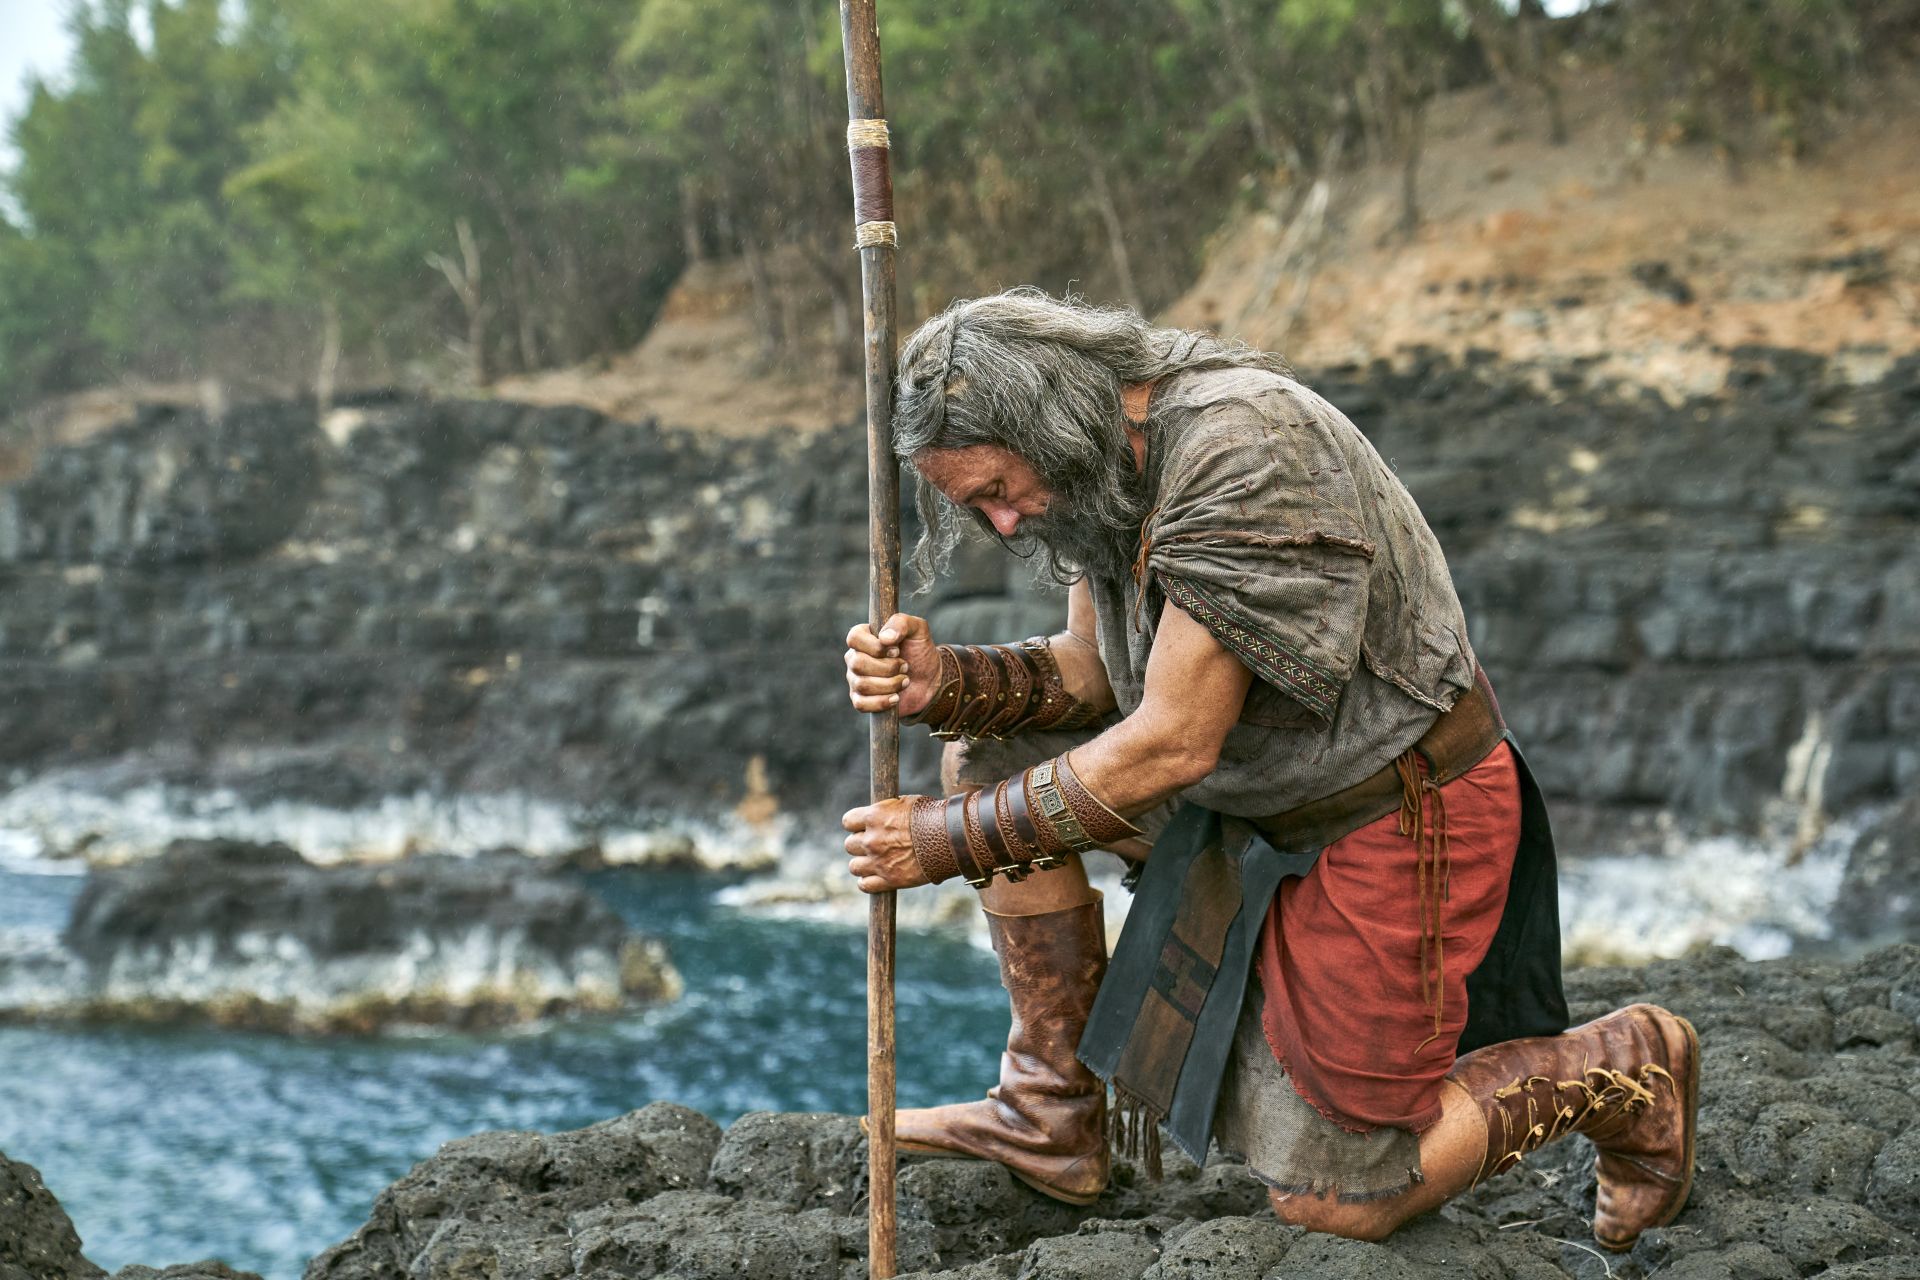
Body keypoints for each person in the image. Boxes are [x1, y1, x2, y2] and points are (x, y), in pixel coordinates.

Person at [839, 289, 1697, 1248]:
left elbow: (1171, 739)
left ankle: (1629, 1062)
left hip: (1388, 816)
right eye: (980, 507)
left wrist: (941, 842)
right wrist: (944, 679)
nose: (1004, 524)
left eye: (1000, 488)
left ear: (1050, 420)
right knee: (991, 748)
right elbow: (1098, 677)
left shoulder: (1244, 450)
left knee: (1343, 1201)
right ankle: (1049, 1113)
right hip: (1243, 806)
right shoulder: (1099, 469)